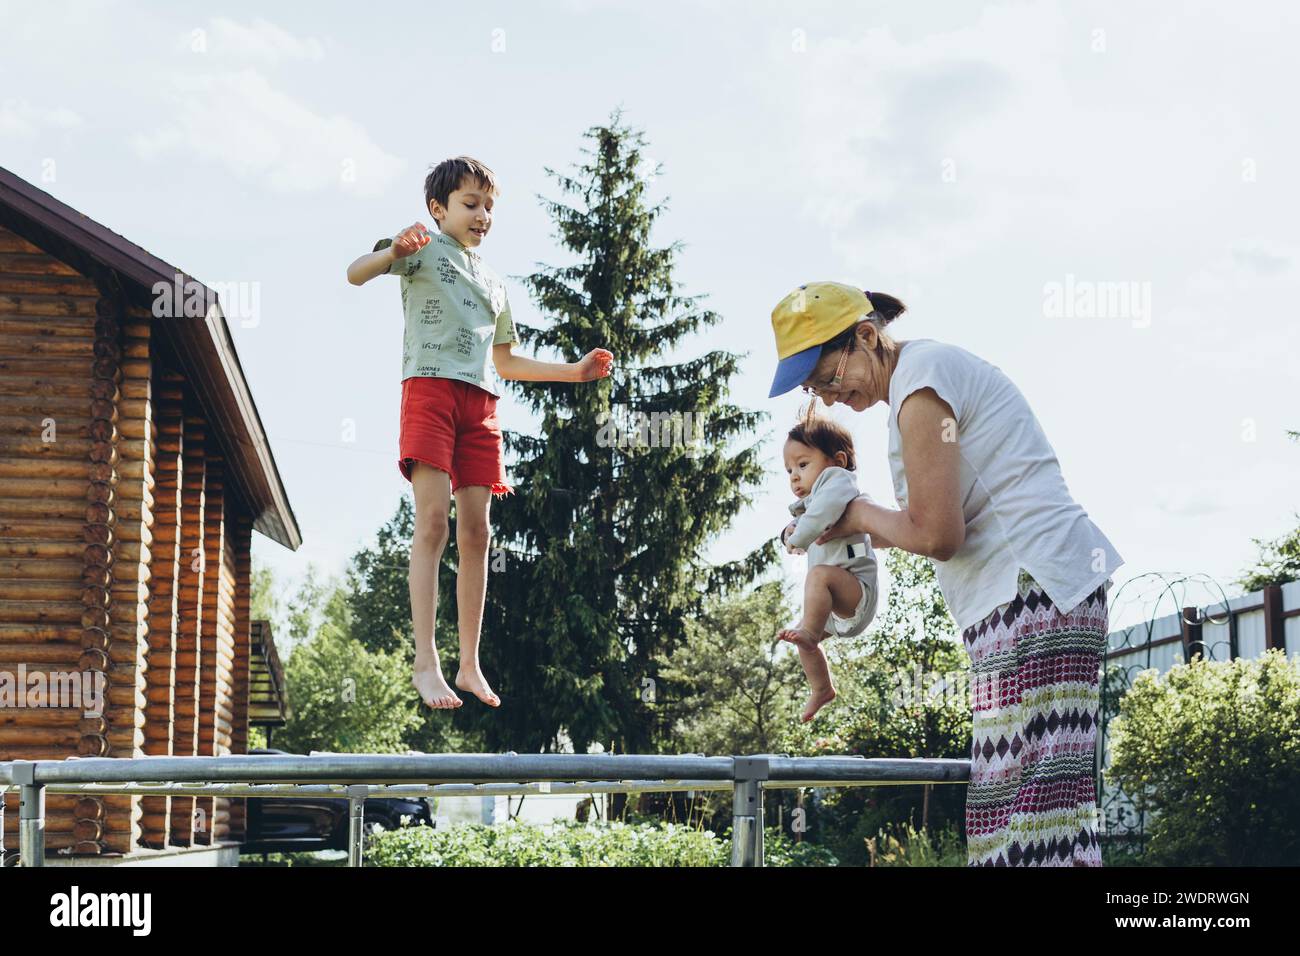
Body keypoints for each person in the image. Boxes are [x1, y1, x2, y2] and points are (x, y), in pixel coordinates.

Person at [767, 281, 1124, 867]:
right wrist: (850, 539)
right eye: (814, 390)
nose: (829, 399)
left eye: (829, 378)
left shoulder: (921, 384)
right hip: (1031, 594)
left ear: (864, 336)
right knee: (1028, 812)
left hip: (1032, 591)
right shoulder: (919, 383)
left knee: (1027, 819)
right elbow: (928, 525)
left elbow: (937, 535)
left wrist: (855, 512)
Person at [347, 155, 613, 712]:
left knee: (477, 534)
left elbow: (509, 361)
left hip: (482, 405)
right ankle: (427, 662)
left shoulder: (494, 282)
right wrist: (393, 251)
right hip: (429, 392)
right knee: (432, 524)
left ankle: (469, 663)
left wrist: (575, 372)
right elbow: (355, 272)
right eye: (471, 204)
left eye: (490, 206)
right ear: (438, 208)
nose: (483, 215)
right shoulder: (418, 249)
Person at [777, 411, 881, 723]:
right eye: (789, 470)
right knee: (803, 640)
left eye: (803, 464)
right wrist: (788, 536)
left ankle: (810, 634)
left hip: (856, 590)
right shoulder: (812, 503)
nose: (794, 476)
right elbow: (799, 525)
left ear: (836, 460)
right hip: (835, 602)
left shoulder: (838, 482)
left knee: (817, 580)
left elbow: (822, 514)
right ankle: (821, 688)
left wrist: (800, 536)